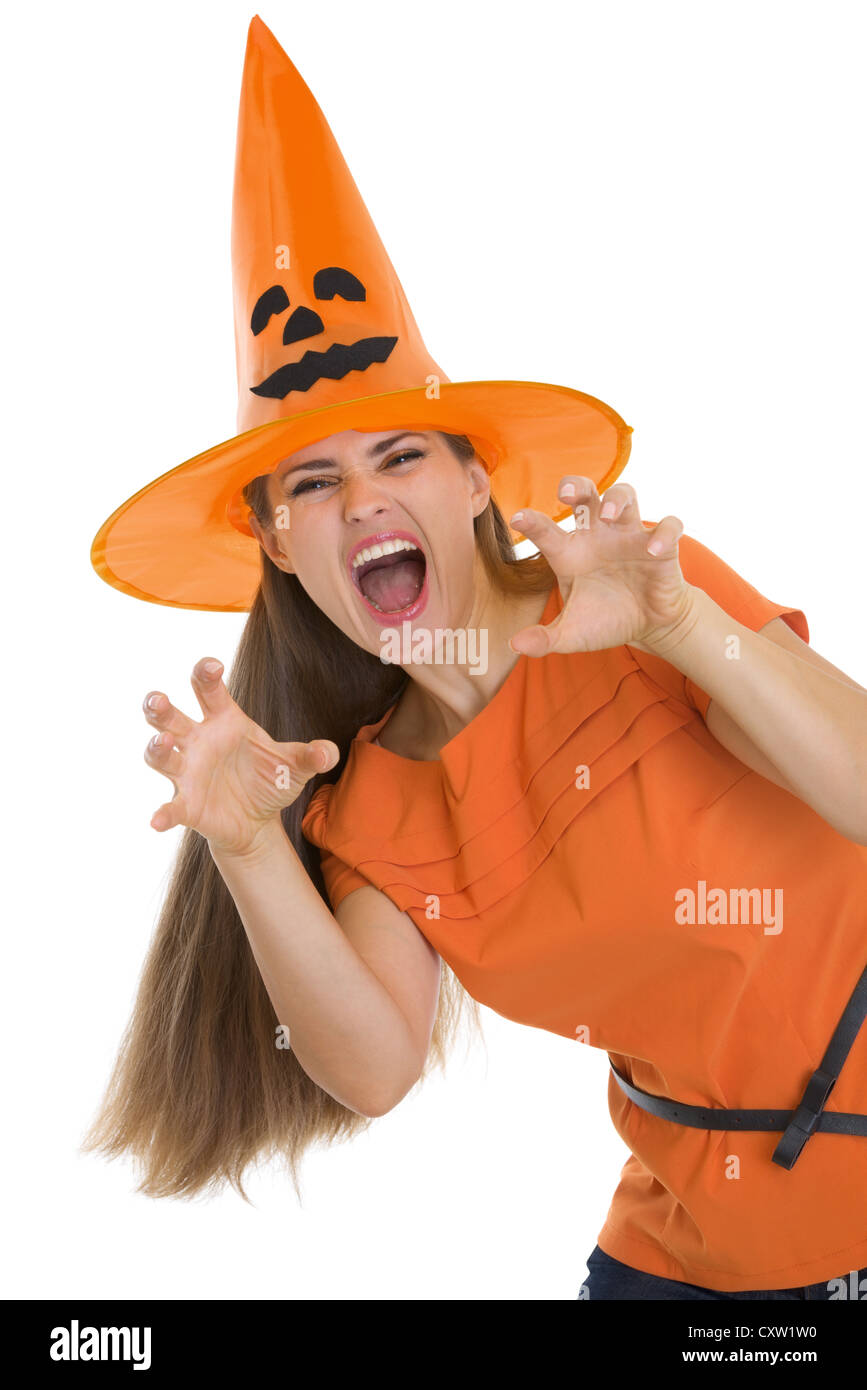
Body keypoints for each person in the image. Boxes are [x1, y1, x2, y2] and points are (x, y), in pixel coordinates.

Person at [82, 17, 867, 1300]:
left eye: (400, 458)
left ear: (473, 483)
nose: (363, 503)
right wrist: (246, 847)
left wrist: (686, 631)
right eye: (316, 484)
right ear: (280, 545)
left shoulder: (637, 601)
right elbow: (376, 1068)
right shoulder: (375, 805)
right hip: (695, 1249)